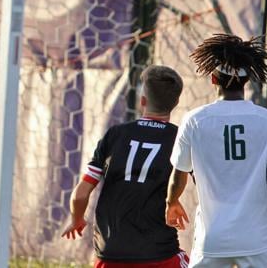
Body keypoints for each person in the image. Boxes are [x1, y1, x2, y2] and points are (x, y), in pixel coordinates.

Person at [166, 34, 267, 268]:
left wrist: (172, 201)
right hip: (259, 239)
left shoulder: (193, 120)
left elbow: (179, 173)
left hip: (212, 239)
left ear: (213, 79)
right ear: (248, 79)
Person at [62, 65, 189, 268]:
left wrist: (77, 219)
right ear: (176, 103)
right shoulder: (180, 138)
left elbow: (80, 194)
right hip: (158, 254)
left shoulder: (116, 134)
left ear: (142, 101)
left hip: (110, 254)